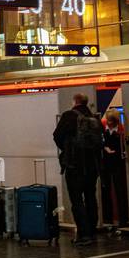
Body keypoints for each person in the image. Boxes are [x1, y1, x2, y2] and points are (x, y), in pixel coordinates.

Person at [55, 105, 102, 246]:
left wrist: (66, 148)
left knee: (77, 201)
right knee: (90, 198)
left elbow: (56, 136)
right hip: (92, 166)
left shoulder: (69, 116)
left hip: (74, 165)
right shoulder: (94, 118)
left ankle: (84, 234)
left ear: (75, 102)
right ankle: (92, 232)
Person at [100, 111, 129, 228]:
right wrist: (104, 148)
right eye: (109, 122)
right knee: (105, 190)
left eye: (112, 123)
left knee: (120, 190)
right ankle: (108, 218)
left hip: (118, 162)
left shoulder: (121, 130)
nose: (110, 124)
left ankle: (123, 219)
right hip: (106, 162)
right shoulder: (103, 128)